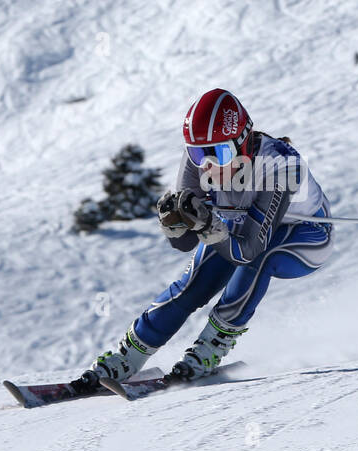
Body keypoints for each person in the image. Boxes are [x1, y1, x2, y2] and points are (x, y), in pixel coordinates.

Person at [73, 89, 332, 393]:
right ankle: (129, 355)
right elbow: (184, 244)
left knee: (260, 258)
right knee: (195, 278)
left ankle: (211, 347)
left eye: (221, 153)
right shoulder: (196, 161)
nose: (209, 165)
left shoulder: (280, 165)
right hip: (241, 228)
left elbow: (249, 250)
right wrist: (176, 225)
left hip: (305, 235)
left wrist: (209, 226)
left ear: (244, 141)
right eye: (198, 154)